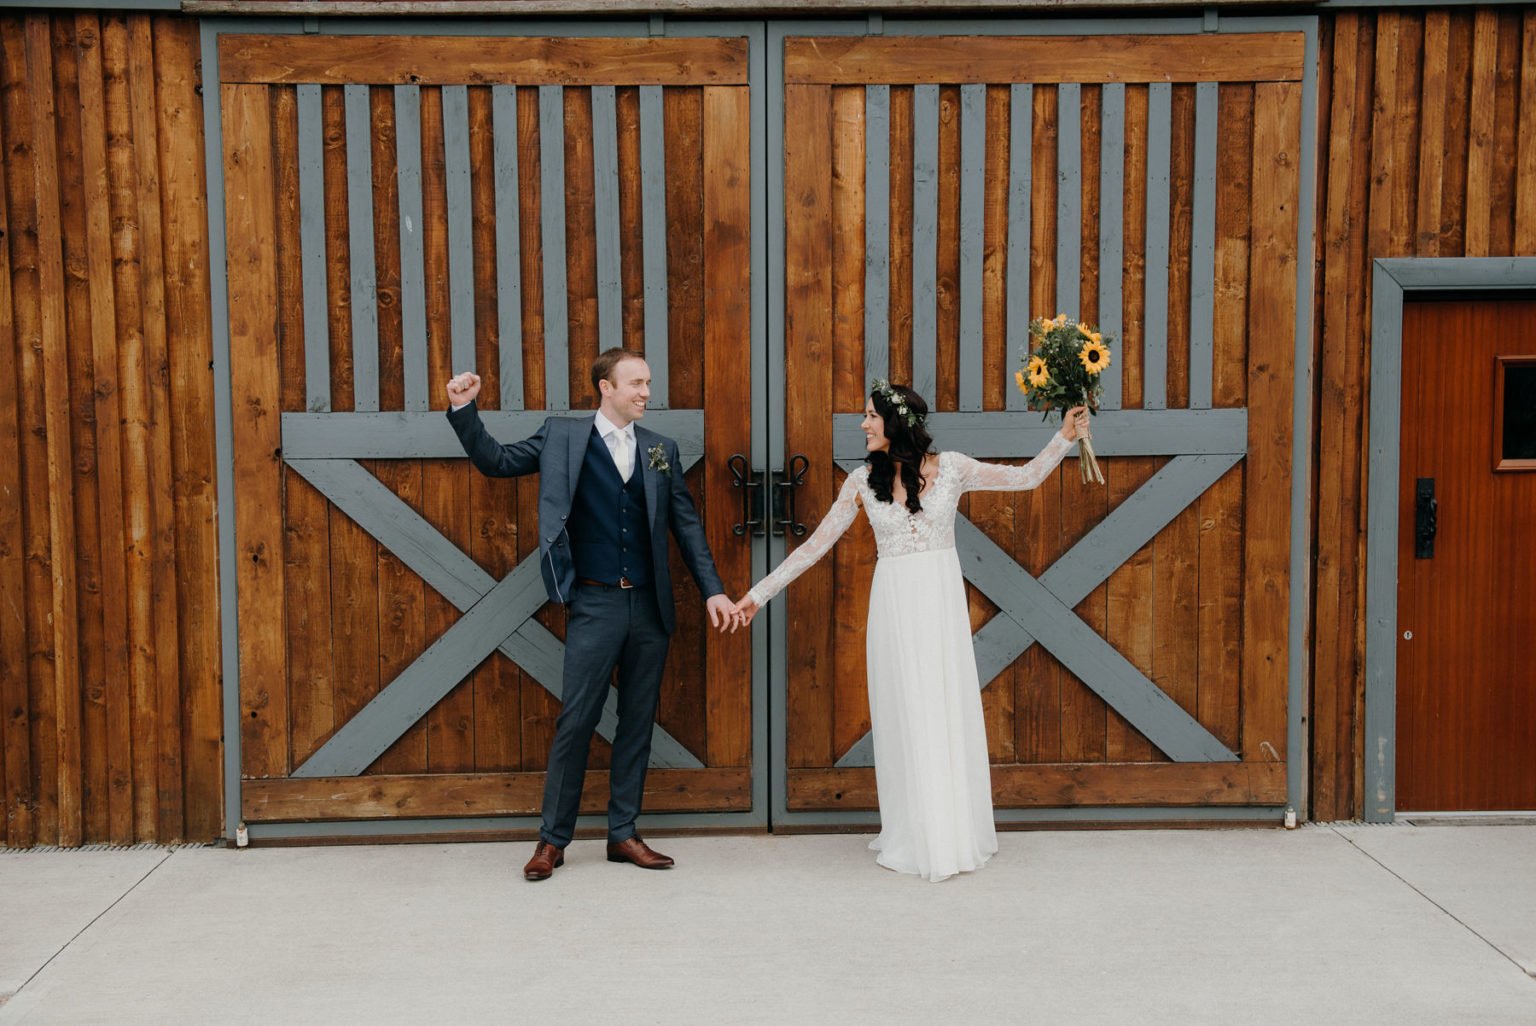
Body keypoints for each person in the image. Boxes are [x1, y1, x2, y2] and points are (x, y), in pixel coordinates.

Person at [731, 381, 1089, 882]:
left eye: (871, 416)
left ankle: (952, 830)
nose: (863, 424)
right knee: (905, 711)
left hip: (939, 604)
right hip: (895, 606)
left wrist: (1065, 437)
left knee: (942, 706)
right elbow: (815, 546)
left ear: (897, 421)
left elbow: (1026, 479)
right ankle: (916, 830)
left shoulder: (954, 468)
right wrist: (758, 594)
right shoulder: (861, 482)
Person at [445, 348, 739, 881]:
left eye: (647, 382)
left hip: (648, 606)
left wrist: (713, 591)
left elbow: (686, 526)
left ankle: (623, 834)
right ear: (606, 387)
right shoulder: (562, 436)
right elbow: (498, 462)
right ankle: (552, 841)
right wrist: (465, 409)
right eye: (636, 383)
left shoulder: (660, 449)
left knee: (637, 722)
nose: (646, 392)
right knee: (576, 721)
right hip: (595, 602)